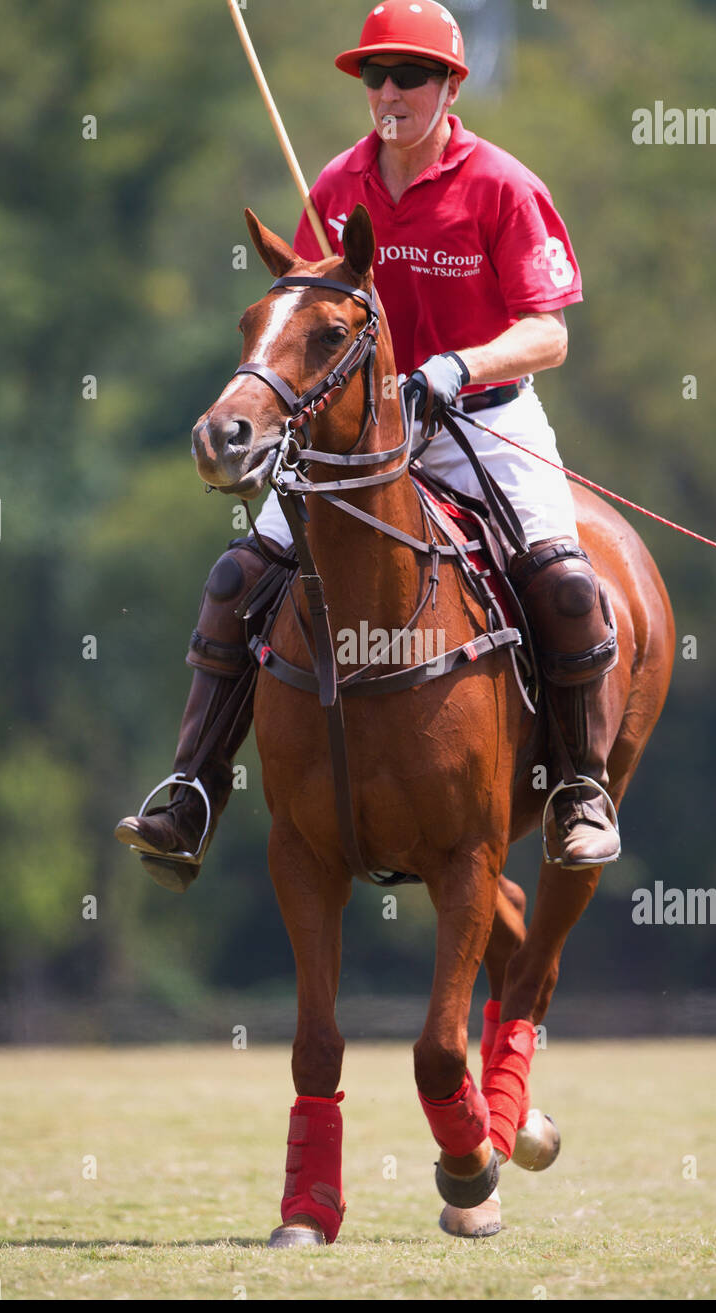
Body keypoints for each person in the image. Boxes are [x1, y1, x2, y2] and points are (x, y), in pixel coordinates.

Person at [115, 0, 619, 891]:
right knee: (240, 576)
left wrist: (457, 368)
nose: (389, 91)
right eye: (375, 75)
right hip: (359, 432)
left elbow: (549, 333)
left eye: (410, 75)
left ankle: (579, 786)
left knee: (569, 585)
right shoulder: (336, 186)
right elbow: (308, 311)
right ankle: (192, 787)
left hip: (481, 419)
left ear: (449, 86)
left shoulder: (503, 185)